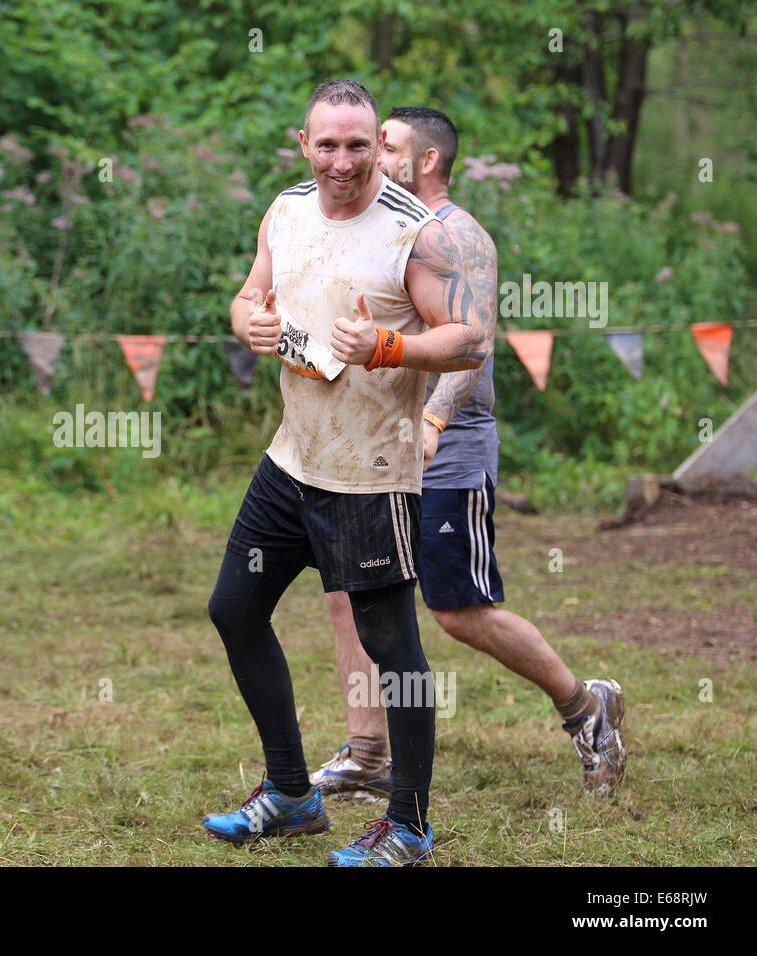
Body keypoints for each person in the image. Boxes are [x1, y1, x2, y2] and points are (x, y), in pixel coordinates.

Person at [201, 80, 490, 866]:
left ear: (378, 145)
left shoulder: (416, 233)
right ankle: (292, 796)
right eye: (326, 145)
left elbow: (468, 340)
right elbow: (247, 293)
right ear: (304, 143)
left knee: (391, 648)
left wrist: (388, 348)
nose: (342, 161)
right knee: (233, 609)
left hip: (369, 469)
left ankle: (409, 825)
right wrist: (248, 321)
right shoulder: (285, 208)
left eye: (358, 145)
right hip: (292, 458)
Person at [311, 106, 627, 803]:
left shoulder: (458, 235)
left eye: (384, 145)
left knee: (458, 610)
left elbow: (469, 341)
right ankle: (366, 751)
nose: (368, 156)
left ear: (425, 160)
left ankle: (585, 704)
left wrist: (430, 419)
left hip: (447, 443)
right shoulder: (379, 231)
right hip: (375, 444)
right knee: (349, 593)